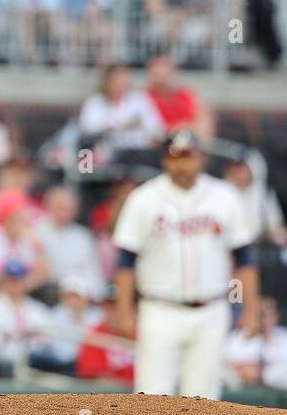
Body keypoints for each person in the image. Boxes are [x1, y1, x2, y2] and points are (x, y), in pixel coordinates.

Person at [111, 129, 260, 399]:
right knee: (152, 396)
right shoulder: (143, 199)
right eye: (176, 158)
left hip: (211, 309)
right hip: (159, 309)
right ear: (165, 161)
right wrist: (123, 311)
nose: (182, 165)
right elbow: (125, 261)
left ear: (200, 159)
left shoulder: (224, 196)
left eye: (188, 157)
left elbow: (244, 258)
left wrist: (250, 309)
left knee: (204, 399)